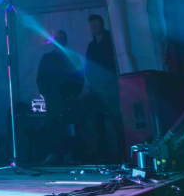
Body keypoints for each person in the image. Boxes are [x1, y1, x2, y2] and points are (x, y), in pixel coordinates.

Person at [37, 30, 84, 165]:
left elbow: (79, 77)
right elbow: (40, 77)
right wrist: (44, 93)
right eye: (57, 38)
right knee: (52, 125)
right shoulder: (47, 58)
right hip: (52, 98)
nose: (59, 41)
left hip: (68, 98)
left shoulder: (72, 58)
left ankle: (69, 155)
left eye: (61, 38)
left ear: (65, 40)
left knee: (69, 126)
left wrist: (74, 95)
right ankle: (53, 154)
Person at [84, 14, 126, 162]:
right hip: (96, 90)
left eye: (95, 24)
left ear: (102, 24)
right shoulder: (92, 46)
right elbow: (87, 67)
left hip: (112, 89)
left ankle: (124, 153)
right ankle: (104, 155)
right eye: (91, 25)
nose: (93, 27)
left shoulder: (112, 41)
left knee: (117, 122)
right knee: (98, 123)